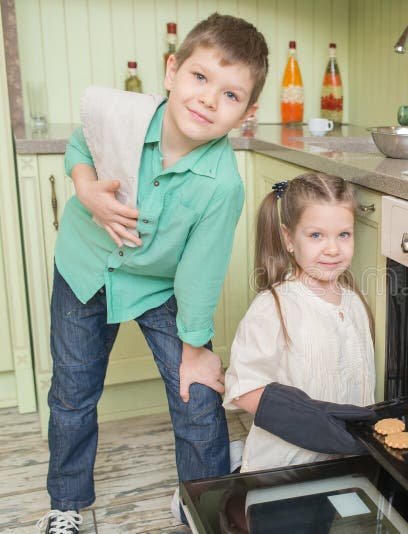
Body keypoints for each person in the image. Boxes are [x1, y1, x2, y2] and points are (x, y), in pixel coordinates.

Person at [36, 13, 268, 534]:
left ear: (247, 114)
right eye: (200, 77)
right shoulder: (126, 114)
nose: (209, 99)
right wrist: (85, 188)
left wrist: (195, 348)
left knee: (198, 392)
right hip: (85, 269)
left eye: (230, 95)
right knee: (73, 393)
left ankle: (203, 505)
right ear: (172, 71)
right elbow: (80, 143)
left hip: (160, 286)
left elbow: (200, 274)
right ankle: (65, 504)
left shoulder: (221, 186)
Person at [223, 173, 376, 473]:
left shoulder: (354, 302)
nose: (333, 249)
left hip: (344, 462)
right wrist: (313, 423)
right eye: (316, 235)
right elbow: (244, 387)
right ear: (289, 238)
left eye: (343, 235)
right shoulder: (274, 308)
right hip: (285, 467)